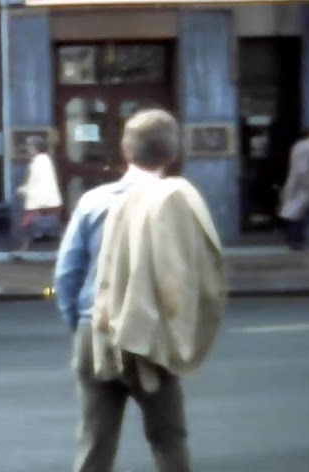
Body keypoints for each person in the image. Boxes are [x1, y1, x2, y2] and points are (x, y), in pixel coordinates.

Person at [53, 109, 227, 472]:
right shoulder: (182, 204)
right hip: (152, 337)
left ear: (125, 151)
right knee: (168, 440)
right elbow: (195, 277)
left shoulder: (93, 201)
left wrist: (82, 324)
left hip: (95, 331)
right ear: (172, 154)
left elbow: (67, 275)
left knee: (94, 444)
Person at [13, 136, 63, 259]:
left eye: (30, 146)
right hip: (48, 201)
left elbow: (36, 182)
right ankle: (22, 251)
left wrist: (24, 190)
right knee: (53, 227)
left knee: (27, 227)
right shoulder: (44, 160)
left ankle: (22, 251)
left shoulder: (39, 162)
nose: (28, 149)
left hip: (40, 202)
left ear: (35, 148)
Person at [277, 127, 309, 251]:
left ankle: (293, 240)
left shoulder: (298, 146)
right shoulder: (307, 147)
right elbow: (303, 169)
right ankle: (296, 241)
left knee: (295, 214)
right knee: (297, 215)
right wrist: (306, 186)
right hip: (301, 187)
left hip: (297, 185)